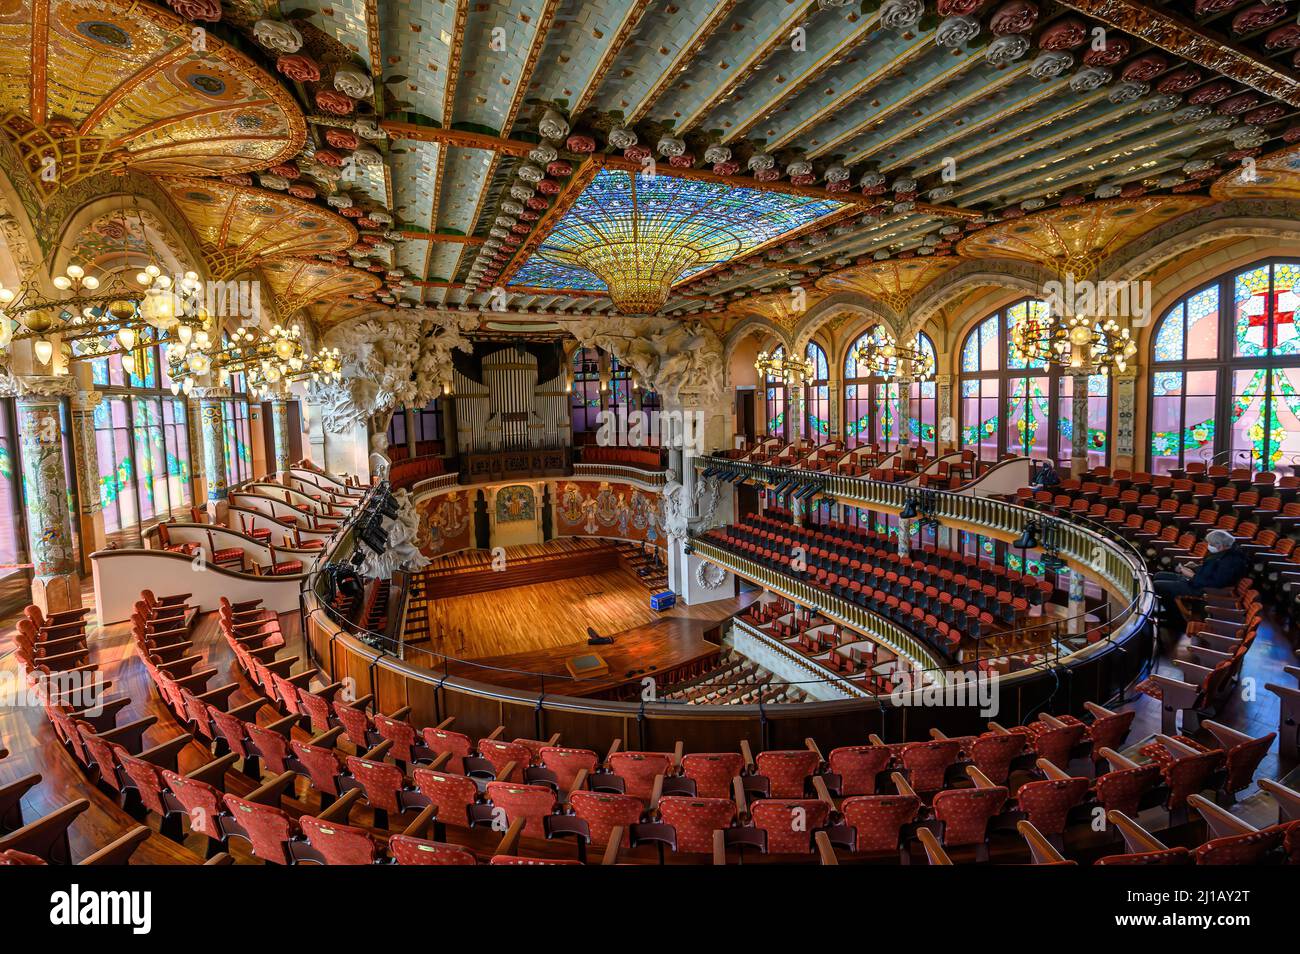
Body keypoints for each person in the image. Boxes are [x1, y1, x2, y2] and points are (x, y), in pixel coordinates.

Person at [1152, 529, 1249, 632]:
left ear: (1220, 545)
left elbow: (1216, 583)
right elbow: (1212, 570)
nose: (1208, 546)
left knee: (1158, 585)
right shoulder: (1225, 552)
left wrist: (1193, 576)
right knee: (1159, 575)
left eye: (1210, 544)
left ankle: (1177, 620)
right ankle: (1170, 612)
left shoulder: (1231, 561)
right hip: (1198, 580)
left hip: (1202, 588)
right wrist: (1196, 567)